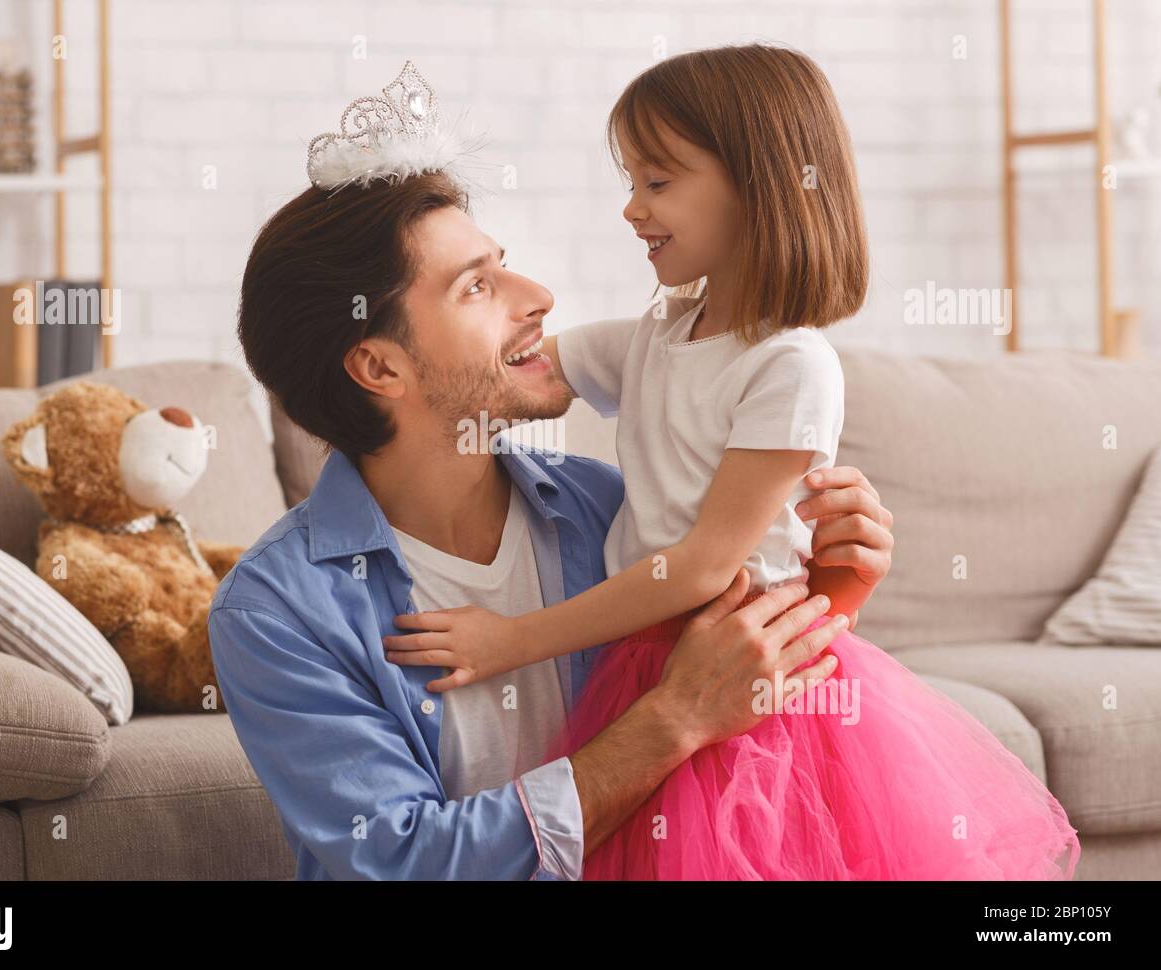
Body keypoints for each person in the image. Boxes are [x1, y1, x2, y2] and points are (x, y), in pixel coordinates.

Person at [386, 46, 1081, 880]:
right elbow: (503, 377)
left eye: (657, 182)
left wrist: (510, 641)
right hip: (648, 665)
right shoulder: (657, 335)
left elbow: (701, 568)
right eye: (631, 181)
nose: (631, 209)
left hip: (744, 672)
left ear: (758, 186)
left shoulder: (790, 365)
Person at [208, 59, 895, 881]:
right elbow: (406, 865)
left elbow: (757, 722)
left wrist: (828, 585)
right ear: (379, 369)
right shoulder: (279, 612)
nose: (536, 296)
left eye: (506, 262)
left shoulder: (608, 512)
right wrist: (671, 722)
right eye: (477, 288)